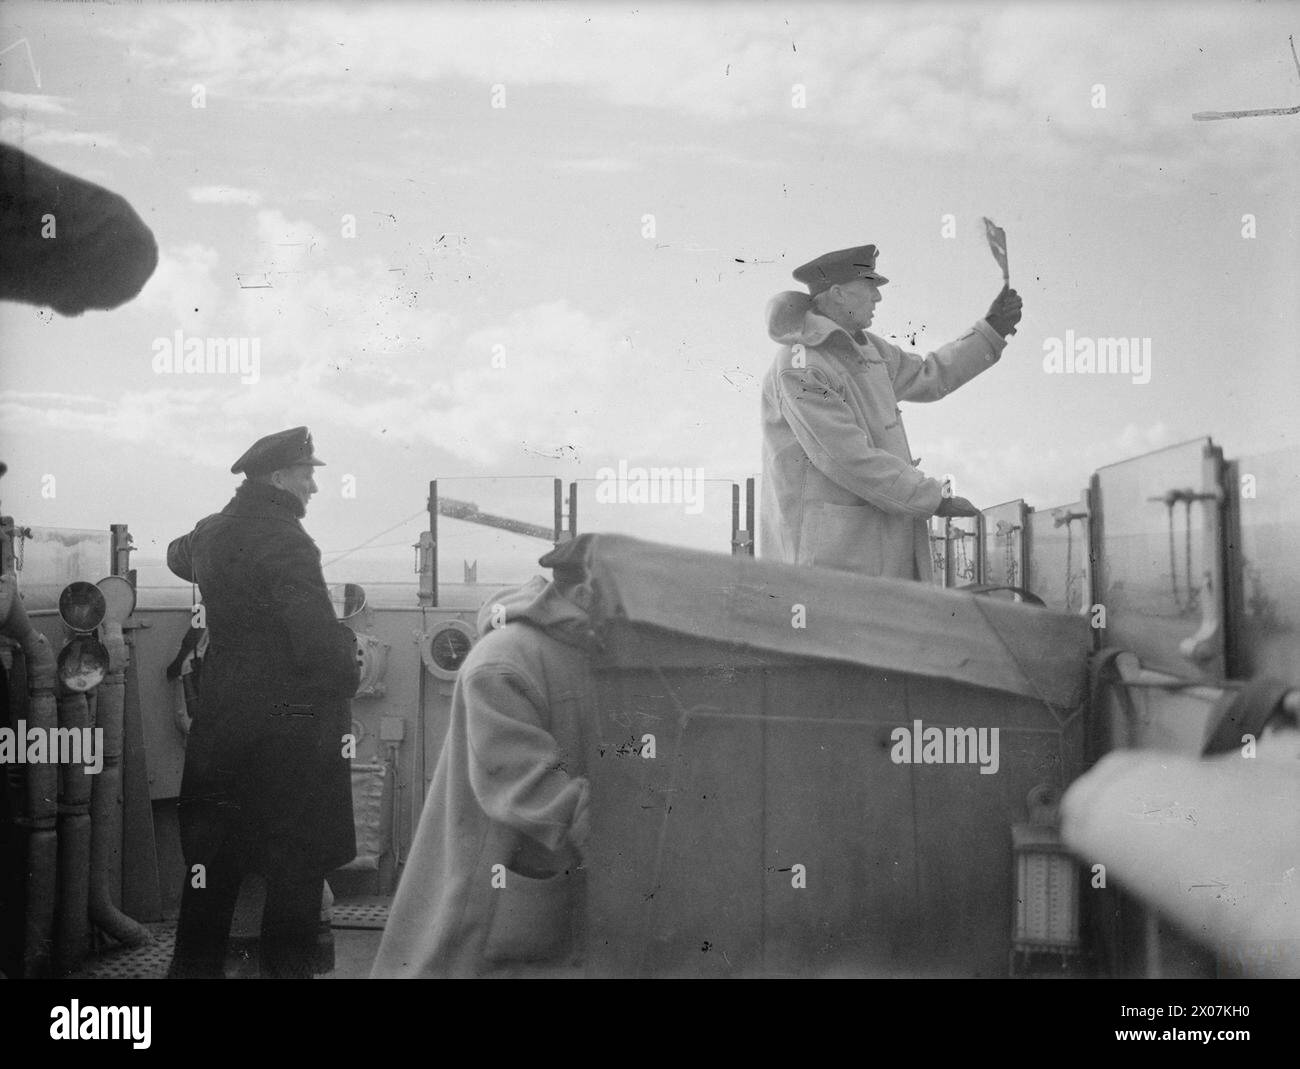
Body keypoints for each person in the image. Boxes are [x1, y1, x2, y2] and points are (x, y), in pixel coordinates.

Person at [165, 426, 359, 978]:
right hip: (286, 741)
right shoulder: (288, 541)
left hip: (222, 728)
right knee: (294, 871)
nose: (314, 487)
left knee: (211, 869)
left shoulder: (210, 534)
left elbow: (179, 554)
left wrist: (210, 533)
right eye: (307, 474)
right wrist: (346, 655)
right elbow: (322, 653)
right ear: (280, 478)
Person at [371, 572, 595, 977]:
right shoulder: (504, 659)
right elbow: (523, 780)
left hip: (551, 888)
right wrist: (615, 828)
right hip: (498, 894)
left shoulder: (591, 654)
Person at [760, 243, 1022, 580]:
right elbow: (846, 458)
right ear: (838, 294)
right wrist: (934, 498)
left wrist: (991, 330)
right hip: (831, 564)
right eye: (869, 287)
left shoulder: (869, 350)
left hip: (870, 551)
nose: (878, 298)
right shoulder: (799, 365)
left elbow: (931, 375)